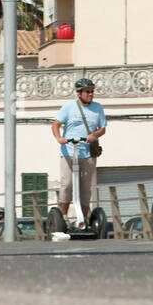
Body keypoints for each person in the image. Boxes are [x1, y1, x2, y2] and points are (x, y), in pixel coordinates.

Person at [52, 78, 106, 222]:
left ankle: (83, 219)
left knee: (85, 188)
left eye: (92, 91)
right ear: (79, 93)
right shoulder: (68, 107)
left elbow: (102, 129)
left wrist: (93, 135)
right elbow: (56, 124)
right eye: (87, 91)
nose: (90, 94)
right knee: (67, 185)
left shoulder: (98, 108)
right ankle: (63, 217)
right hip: (69, 152)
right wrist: (59, 138)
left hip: (88, 153)